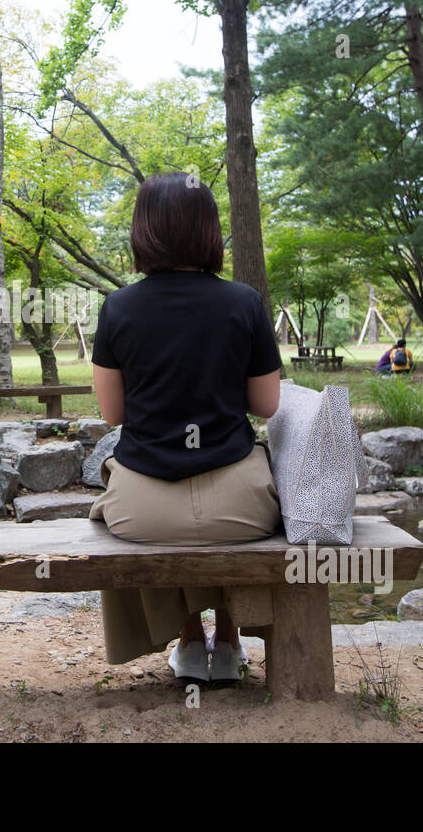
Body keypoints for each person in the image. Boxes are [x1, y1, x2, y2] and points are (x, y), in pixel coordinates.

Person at [88, 171, 283, 684]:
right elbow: (266, 404)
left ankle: (190, 641)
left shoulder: (118, 307)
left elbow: (114, 415)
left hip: (142, 515)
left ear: (142, 229)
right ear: (210, 231)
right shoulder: (244, 302)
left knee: (122, 484)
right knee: (233, 494)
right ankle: (231, 640)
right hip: (242, 510)